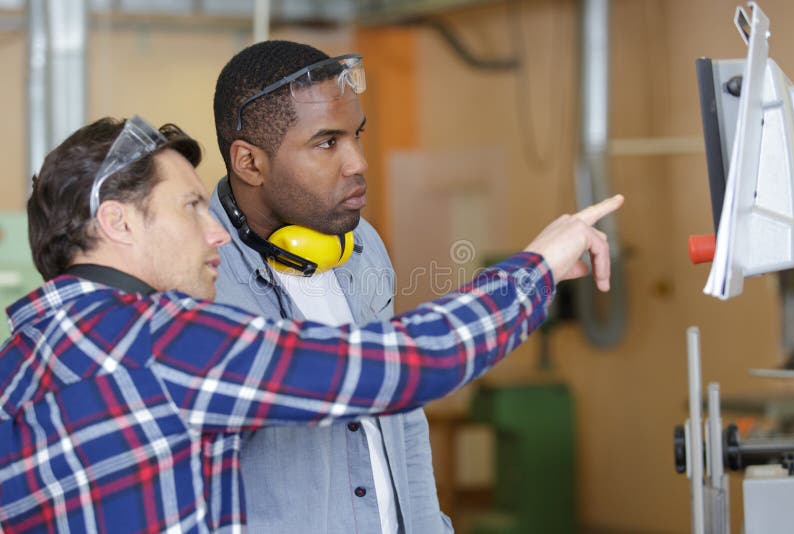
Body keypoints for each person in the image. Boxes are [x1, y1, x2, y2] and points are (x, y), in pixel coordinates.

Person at [0, 114, 622, 533]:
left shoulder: (17, 367)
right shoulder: (164, 342)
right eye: (190, 206)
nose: (216, 232)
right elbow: (408, 363)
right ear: (117, 223)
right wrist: (535, 269)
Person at [208, 40, 446, 533]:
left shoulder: (363, 245)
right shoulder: (198, 276)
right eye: (326, 143)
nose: (358, 162)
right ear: (249, 163)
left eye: (356, 135)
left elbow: (403, 415)